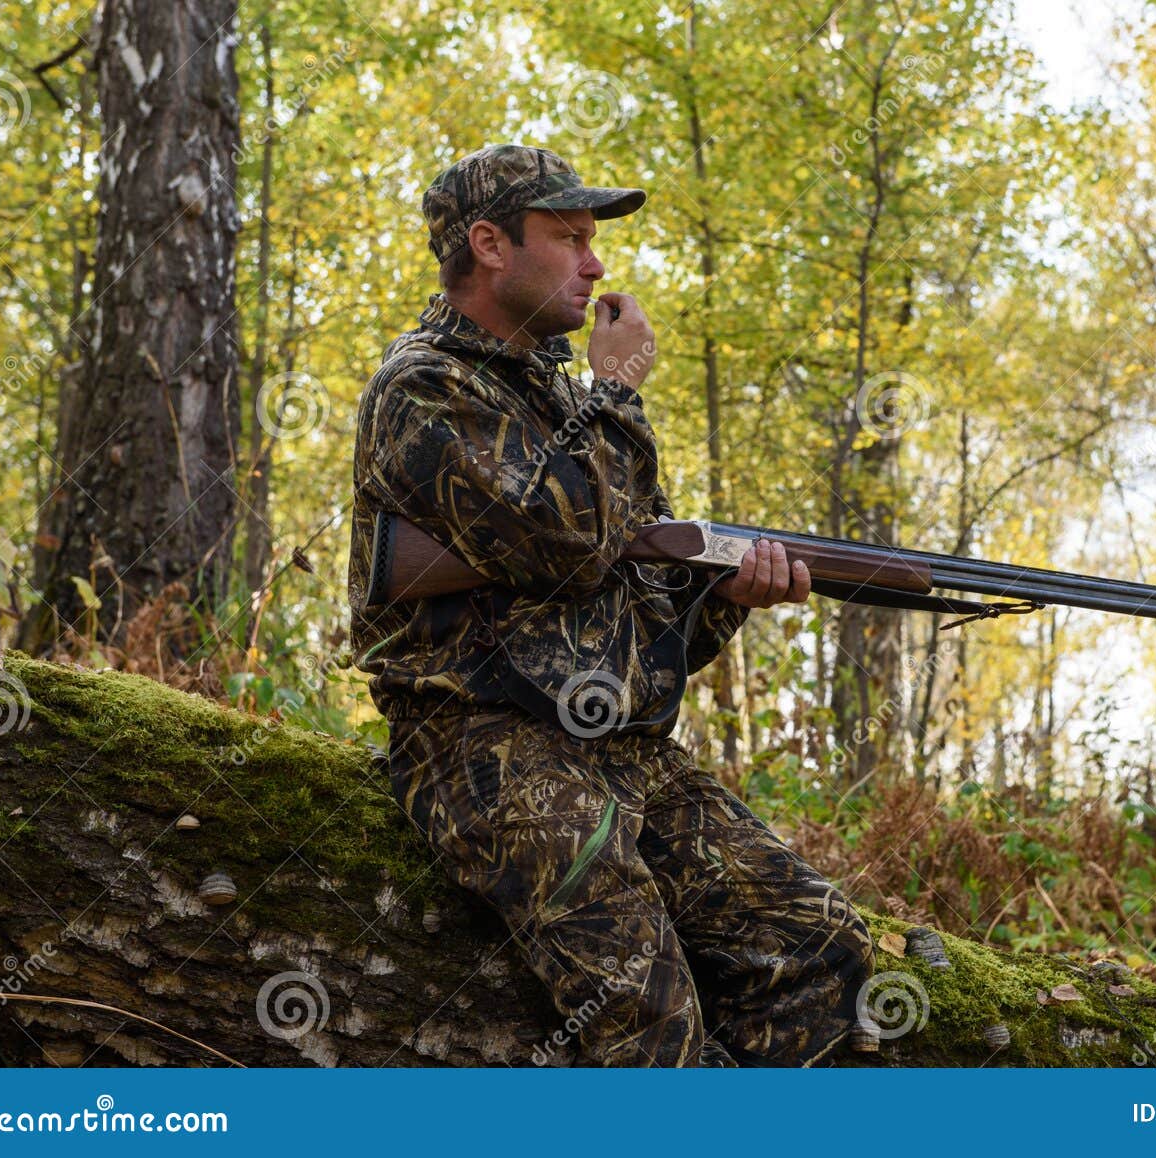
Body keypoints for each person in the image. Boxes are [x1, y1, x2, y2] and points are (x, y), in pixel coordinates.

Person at [347, 144, 874, 1066]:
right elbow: (570, 537)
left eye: (593, 241)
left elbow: (634, 615)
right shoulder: (424, 387)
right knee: (644, 1012)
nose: (596, 265)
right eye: (571, 238)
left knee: (818, 945)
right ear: (490, 245)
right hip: (482, 745)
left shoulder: (559, 399)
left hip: (617, 750)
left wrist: (730, 594)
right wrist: (617, 391)